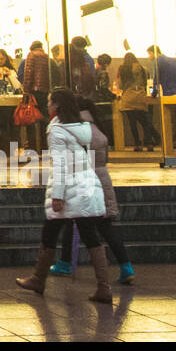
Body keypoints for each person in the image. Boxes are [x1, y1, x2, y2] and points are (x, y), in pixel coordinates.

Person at [16, 88, 111, 303]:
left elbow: (60, 165)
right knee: (84, 234)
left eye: (49, 101)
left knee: (54, 231)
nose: (47, 104)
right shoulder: (79, 127)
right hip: (86, 186)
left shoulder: (57, 130)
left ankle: (39, 279)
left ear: (56, 105)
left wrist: (57, 196)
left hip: (71, 189)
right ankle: (102, 287)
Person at [49, 92, 136, 285]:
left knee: (76, 222)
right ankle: (125, 265)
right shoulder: (97, 127)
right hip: (103, 178)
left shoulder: (77, 129)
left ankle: (66, 264)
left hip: (86, 181)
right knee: (104, 225)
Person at [147, 45, 176, 148]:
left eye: (149, 54)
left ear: (153, 52)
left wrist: (153, 94)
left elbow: (156, 80)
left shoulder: (158, 61)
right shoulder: (174, 61)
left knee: (171, 120)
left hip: (169, 94)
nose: (149, 57)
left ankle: (174, 144)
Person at [117, 52, 158, 151]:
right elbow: (145, 83)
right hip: (140, 96)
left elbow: (121, 85)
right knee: (145, 122)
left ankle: (137, 144)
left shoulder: (123, 69)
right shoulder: (142, 68)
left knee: (132, 122)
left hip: (128, 97)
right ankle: (148, 143)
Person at [18, 40, 51, 149]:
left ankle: (31, 146)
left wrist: (26, 91)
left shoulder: (31, 55)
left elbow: (28, 74)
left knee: (30, 119)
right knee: (44, 120)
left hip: (34, 92)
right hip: (45, 91)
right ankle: (44, 146)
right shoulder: (46, 56)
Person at [91, 53, 116, 147]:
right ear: (106, 64)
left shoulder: (96, 71)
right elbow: (103, 88)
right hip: (103, 101)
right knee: (107, 123)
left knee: (100, 123)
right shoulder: (103, 72)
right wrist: (113, 96)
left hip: (96, 100)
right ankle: (110, 143)